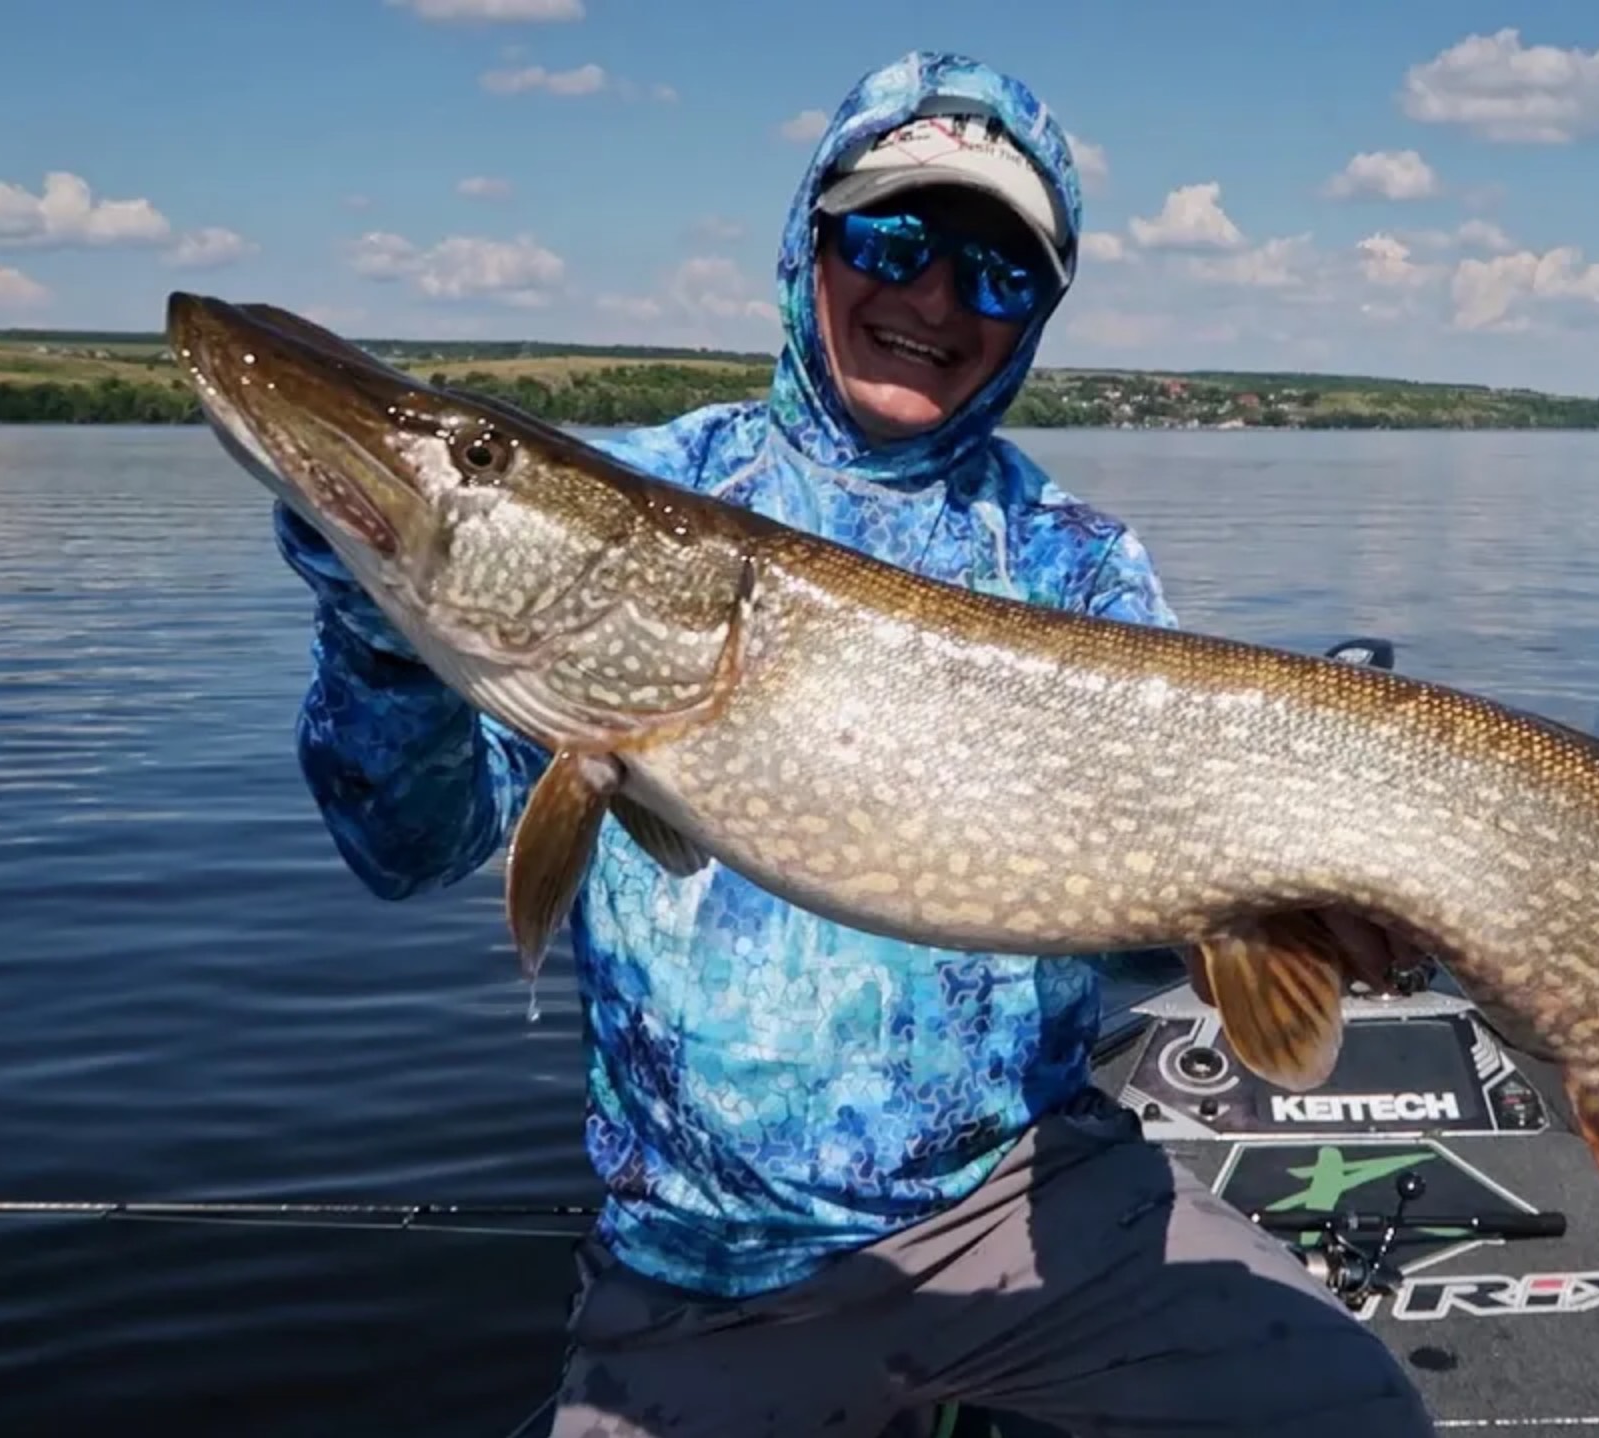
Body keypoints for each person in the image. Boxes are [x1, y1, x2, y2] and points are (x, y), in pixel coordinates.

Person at [271, 51, 1438, 1438]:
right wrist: (381, 627)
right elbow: (406, 845)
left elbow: (1119, 931)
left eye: (998, 273)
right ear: (808, 239)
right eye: (892, 236)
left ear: (1036, 317)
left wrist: (1272, 928)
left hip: (1038, 1204)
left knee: (1358, 1418)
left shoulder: (1075, 564)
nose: (934, 298)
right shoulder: (645, 507)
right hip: (713, 1268)